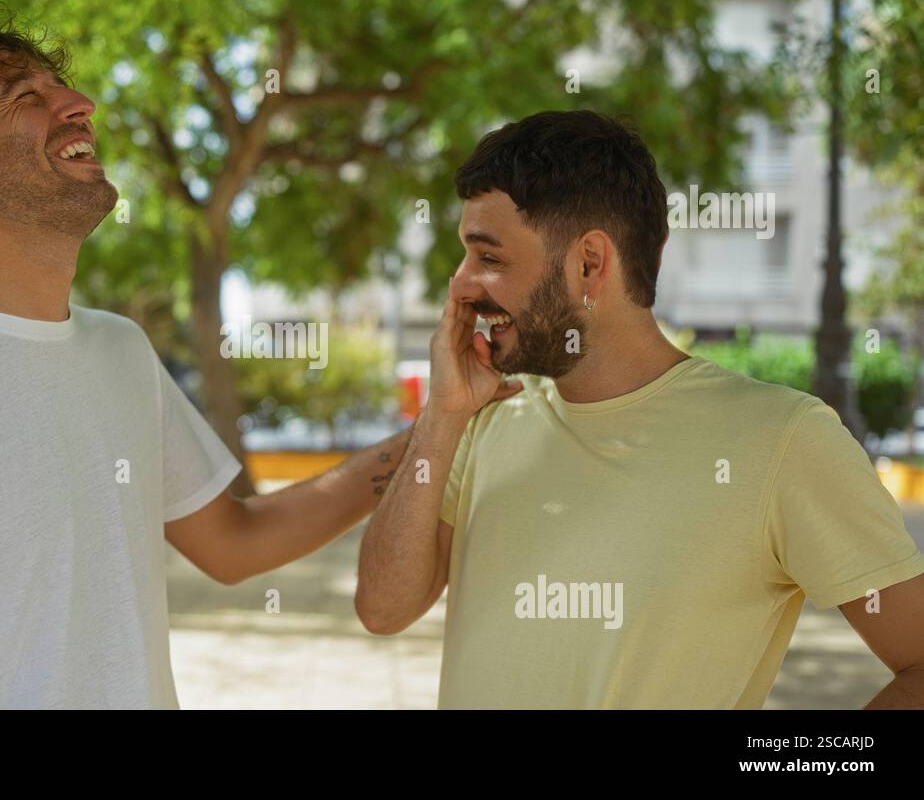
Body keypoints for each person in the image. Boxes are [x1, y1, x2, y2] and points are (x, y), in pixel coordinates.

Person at [0, 10, 490, 709]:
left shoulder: (119, 349)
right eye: (28, 98)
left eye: (63, 86)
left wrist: (442, 423)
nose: (79, 105)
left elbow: (234, 542)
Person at [355, 109, 924, 709]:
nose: (461, 284)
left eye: (489, 258)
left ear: (589, 265)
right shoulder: (487, 414)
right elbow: (382, 607)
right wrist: (442, 417)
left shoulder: (782, 439)